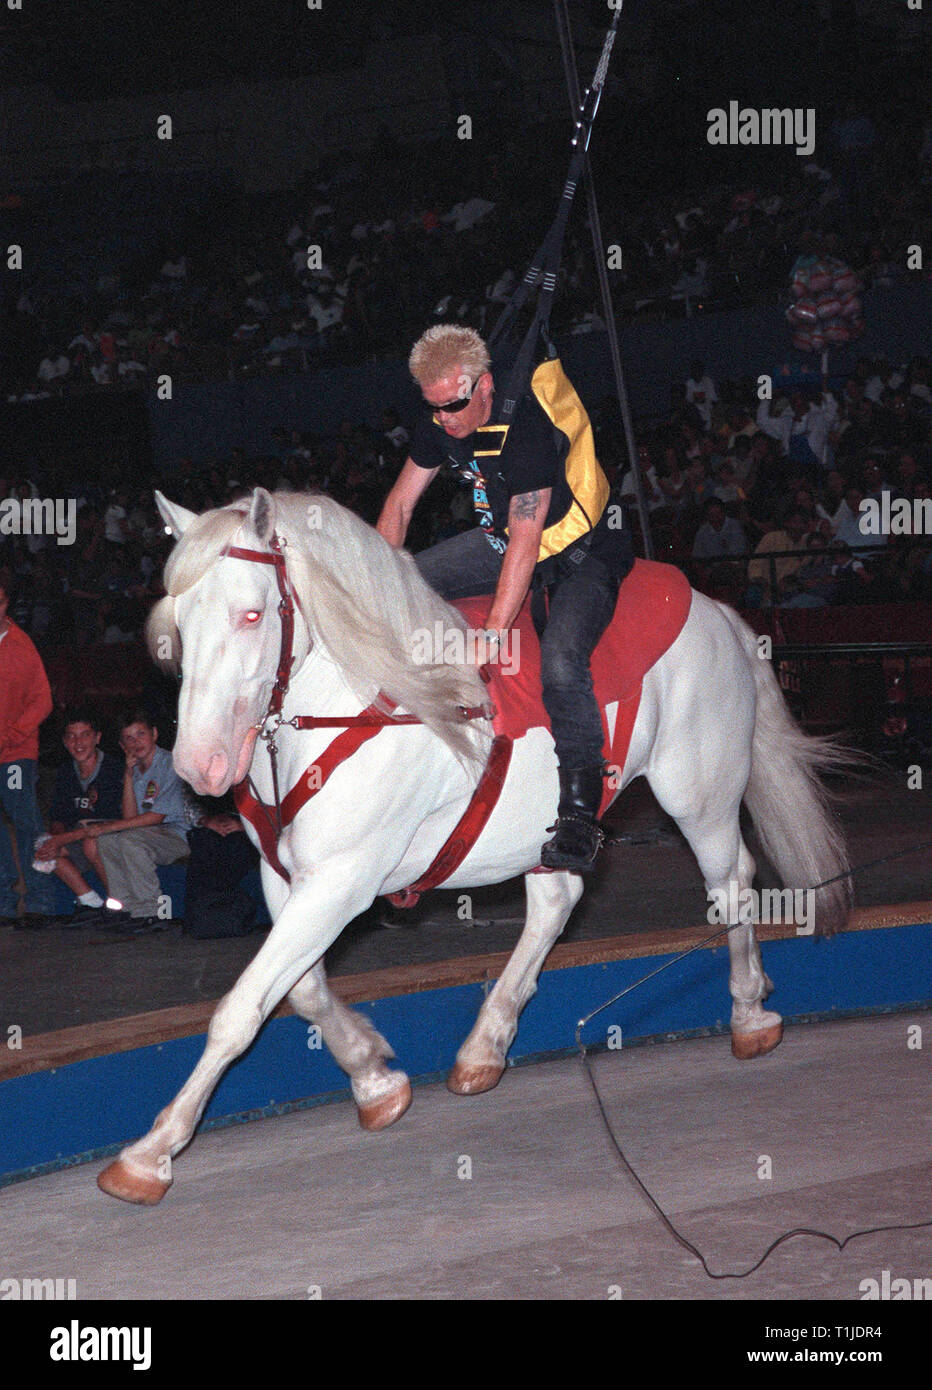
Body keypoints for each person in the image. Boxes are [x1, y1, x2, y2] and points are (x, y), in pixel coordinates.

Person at [376, 323, 634, 872]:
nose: (444, 418)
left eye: (454, 405)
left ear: (485, 386)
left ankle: (582, 812)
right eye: (434, 407)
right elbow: (399, 507)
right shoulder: (440, 423)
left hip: (577, 551)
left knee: (563, 663)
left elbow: (526, 537)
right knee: (409, 577)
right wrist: (372, 588)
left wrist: (492, 633)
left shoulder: (526, 429)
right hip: (502, 542)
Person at [68, 708, 190, 931]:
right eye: (129, 739)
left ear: (154, 734)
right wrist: (127, 775)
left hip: (178, 836)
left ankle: (151, 912)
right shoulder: (136, 770)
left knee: (128, 839)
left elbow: (157, 816)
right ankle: (126, 908)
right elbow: (131, 817)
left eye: (141, 734)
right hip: (152, 833)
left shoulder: (170, 764)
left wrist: (109, 826)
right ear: (123, 745)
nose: (136, 742)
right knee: (107, 841)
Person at [0, 568, 55, 927]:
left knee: (26, 822)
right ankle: (4, 903)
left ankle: (40, 903)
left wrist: (11, 735)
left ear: (6, 602)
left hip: (15, 753)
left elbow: (43, 701)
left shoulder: (21, 646)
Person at [35, 707, 125, 923]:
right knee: (44, 847)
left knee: (91, 843)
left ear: (97, 738)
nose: (78, 743)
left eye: (85, 735)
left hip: (111, 837)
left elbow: (111, 821)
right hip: (78, 836)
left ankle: (121, 903)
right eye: (71, 736)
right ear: (65, 741)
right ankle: (90, 902)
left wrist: (63, 838)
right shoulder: (66, 772)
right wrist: (53, 838)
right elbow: (59, 816)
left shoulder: (113, 769)